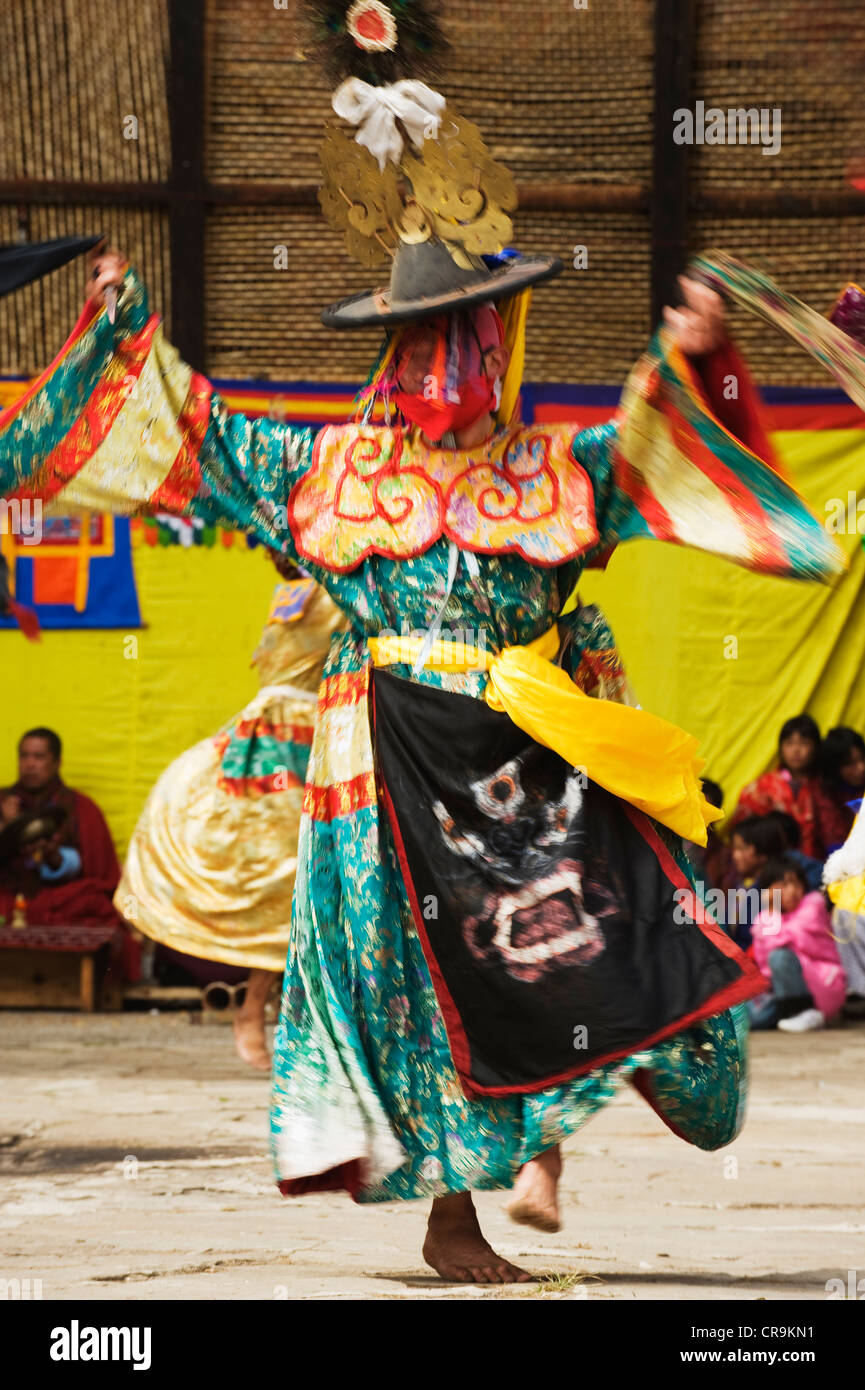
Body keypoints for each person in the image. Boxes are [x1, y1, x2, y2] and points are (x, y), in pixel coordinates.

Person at [1, 23, 855, 1282]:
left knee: (617, 949)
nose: (463, 353)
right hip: (383, 770)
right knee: (414, 987)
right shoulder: (332, 468)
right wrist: (130, 330)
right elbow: (193, 434)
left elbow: (647, 464)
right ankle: (454, 1216)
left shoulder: (543, 472)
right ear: (403, 345)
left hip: (517, 769)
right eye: (444, 330)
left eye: (483, 326)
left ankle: (564, 1138)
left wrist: (691, 356)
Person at [117, 560, 345, 1069]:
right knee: (291, 874)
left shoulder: (303, 591)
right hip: (291, 740)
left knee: (322, 878)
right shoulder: (332, 593)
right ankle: (255, 1006)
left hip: (324, 730)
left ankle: (297, 1017)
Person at [0, 728, 138, 976]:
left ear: (57, 762)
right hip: (9, 896)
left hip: (60, 900)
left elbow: (97, 875)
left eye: (39, 757)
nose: (30, 764)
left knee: (93, 904)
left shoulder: (80, 808)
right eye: (24, 756)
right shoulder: (3, 803)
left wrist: (54, 857)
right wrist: (7, 827)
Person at [750, 857, 846, 1032]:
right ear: (768, 890)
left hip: (822, 986)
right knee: (748, 1016)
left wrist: (772, 910)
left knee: (780, 956)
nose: (792, 891)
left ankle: (804, 1013)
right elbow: (765, 964)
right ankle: (793, 1015)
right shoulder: (765, 918)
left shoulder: (812, 905)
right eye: (784, 885)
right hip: (784, 990)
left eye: (796, 884)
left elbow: (785, 942)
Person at [733, 715, 848, 858]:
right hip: (775, 867)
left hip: (821, 865)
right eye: (789, 743)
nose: (796, 750)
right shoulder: (761, 788)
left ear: (816, 747)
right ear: (780, 748)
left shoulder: (826, 786)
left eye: (804, 743)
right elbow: (743, 831)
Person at [722, 815, 788, 948]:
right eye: (734, 849)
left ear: (762, 852)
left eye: (741, 848)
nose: (735, 856)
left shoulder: (772, 891)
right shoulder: (743, 885)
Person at [820, 726, 865, 847]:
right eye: (850, 763)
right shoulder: (827, 797)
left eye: (862, 759)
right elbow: (835, 845)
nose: (862, 768)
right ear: (835, 767)